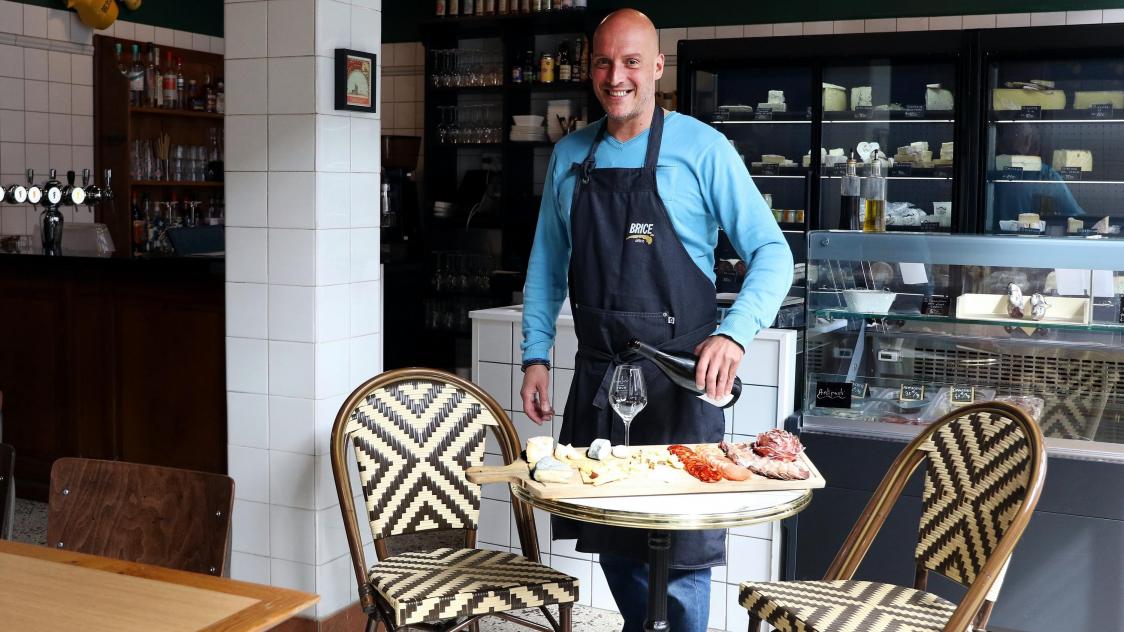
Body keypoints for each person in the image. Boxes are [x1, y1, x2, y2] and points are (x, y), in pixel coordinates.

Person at [518, 8, 793, 632]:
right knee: (614, 538)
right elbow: (546, 265)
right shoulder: (570, 154)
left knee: (683, 557)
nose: (616, 76)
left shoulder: (703, 149)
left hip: (679, 384)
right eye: (604, 62)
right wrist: (536, 353)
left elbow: (773, 253)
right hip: (601, 376)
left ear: (658, 68)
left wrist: (734, 333)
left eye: (632, 62)